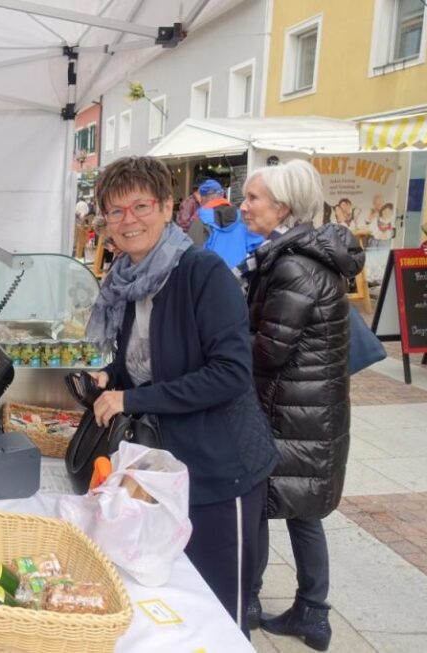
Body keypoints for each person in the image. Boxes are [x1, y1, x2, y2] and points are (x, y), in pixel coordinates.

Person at [85, 156, 278, 635]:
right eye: (115, 211)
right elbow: (149, 363)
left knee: (219, 614)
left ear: (168, 207)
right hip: (169, 466)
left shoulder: (202, 271)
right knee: (176, 607)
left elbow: (230, 373)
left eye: (140, 206)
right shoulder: (130, 278)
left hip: (222, 468)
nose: (128, 221)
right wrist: (112, 378)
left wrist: (132, 401)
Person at [241, 159, 364, 651]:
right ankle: (312, 613)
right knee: (301, 509)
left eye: (253, 198)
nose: (244, 206)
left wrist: (224, 343)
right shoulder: (304, 256)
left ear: (283, 207)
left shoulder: (292, 264)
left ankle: (247, 599)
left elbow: (269, 349)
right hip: (310, 408)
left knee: (260, 500)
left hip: (290, 408)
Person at [187, 179, 263, 268]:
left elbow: (192, 258)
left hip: (212, 278)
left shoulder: (200, 222)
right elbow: (258, 247)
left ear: (203, 199)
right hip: (239, 278)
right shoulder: (243, 218)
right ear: (222, 195)